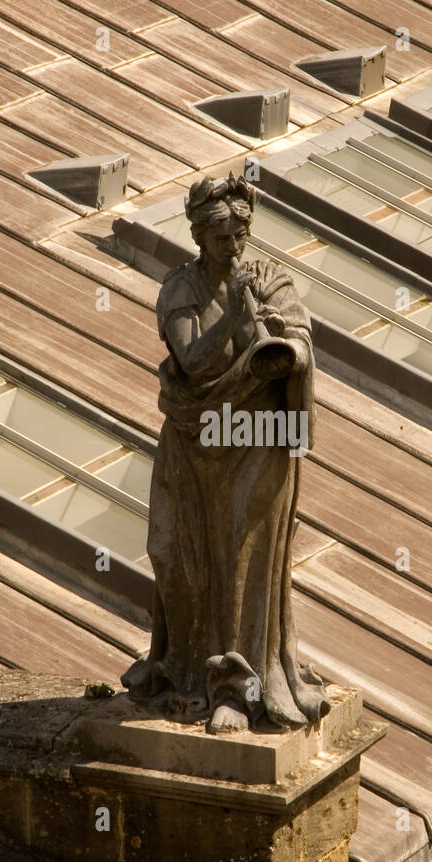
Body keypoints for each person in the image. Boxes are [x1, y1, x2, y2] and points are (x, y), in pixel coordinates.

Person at [121, 174, 330, 734]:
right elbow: (190, 359)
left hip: (253, 437)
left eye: (241, 235)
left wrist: (287, 338)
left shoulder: (269, 282)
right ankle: (187, 675)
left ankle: (239, 689)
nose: (235, 248)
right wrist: (237, 316)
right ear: (199, 236)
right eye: (223, 238)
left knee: (244, 562)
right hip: (194, 442)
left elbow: (303, 344)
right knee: (175, 555)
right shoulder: (181, 290)